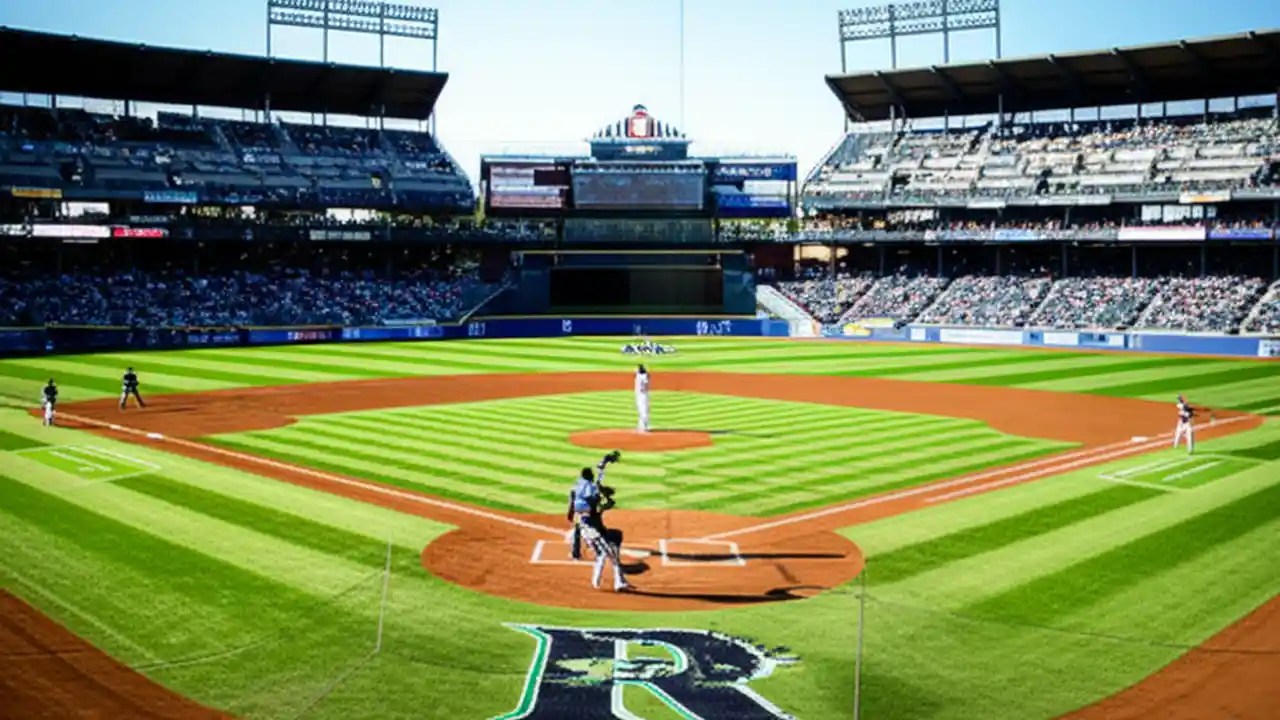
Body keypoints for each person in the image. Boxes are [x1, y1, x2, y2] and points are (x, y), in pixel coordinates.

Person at [565, 451, 631, 591]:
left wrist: (604, 462)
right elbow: (599, 486)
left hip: (591, 529)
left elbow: (598, 480)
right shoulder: (592, 497)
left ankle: (616, 581)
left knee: (615, 540)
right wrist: (607, 495)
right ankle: (615, 583)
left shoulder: (581, 489)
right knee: (609, 555)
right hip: (592, 531)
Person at [635, 364, 650, 433]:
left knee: (643, 411)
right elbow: (647, 376)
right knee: (642, 410)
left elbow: (645, 383)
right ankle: (642, 426)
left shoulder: (640, 376)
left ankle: (644, 426)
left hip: (641, 395)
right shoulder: (643, 376)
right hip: (641, 395)